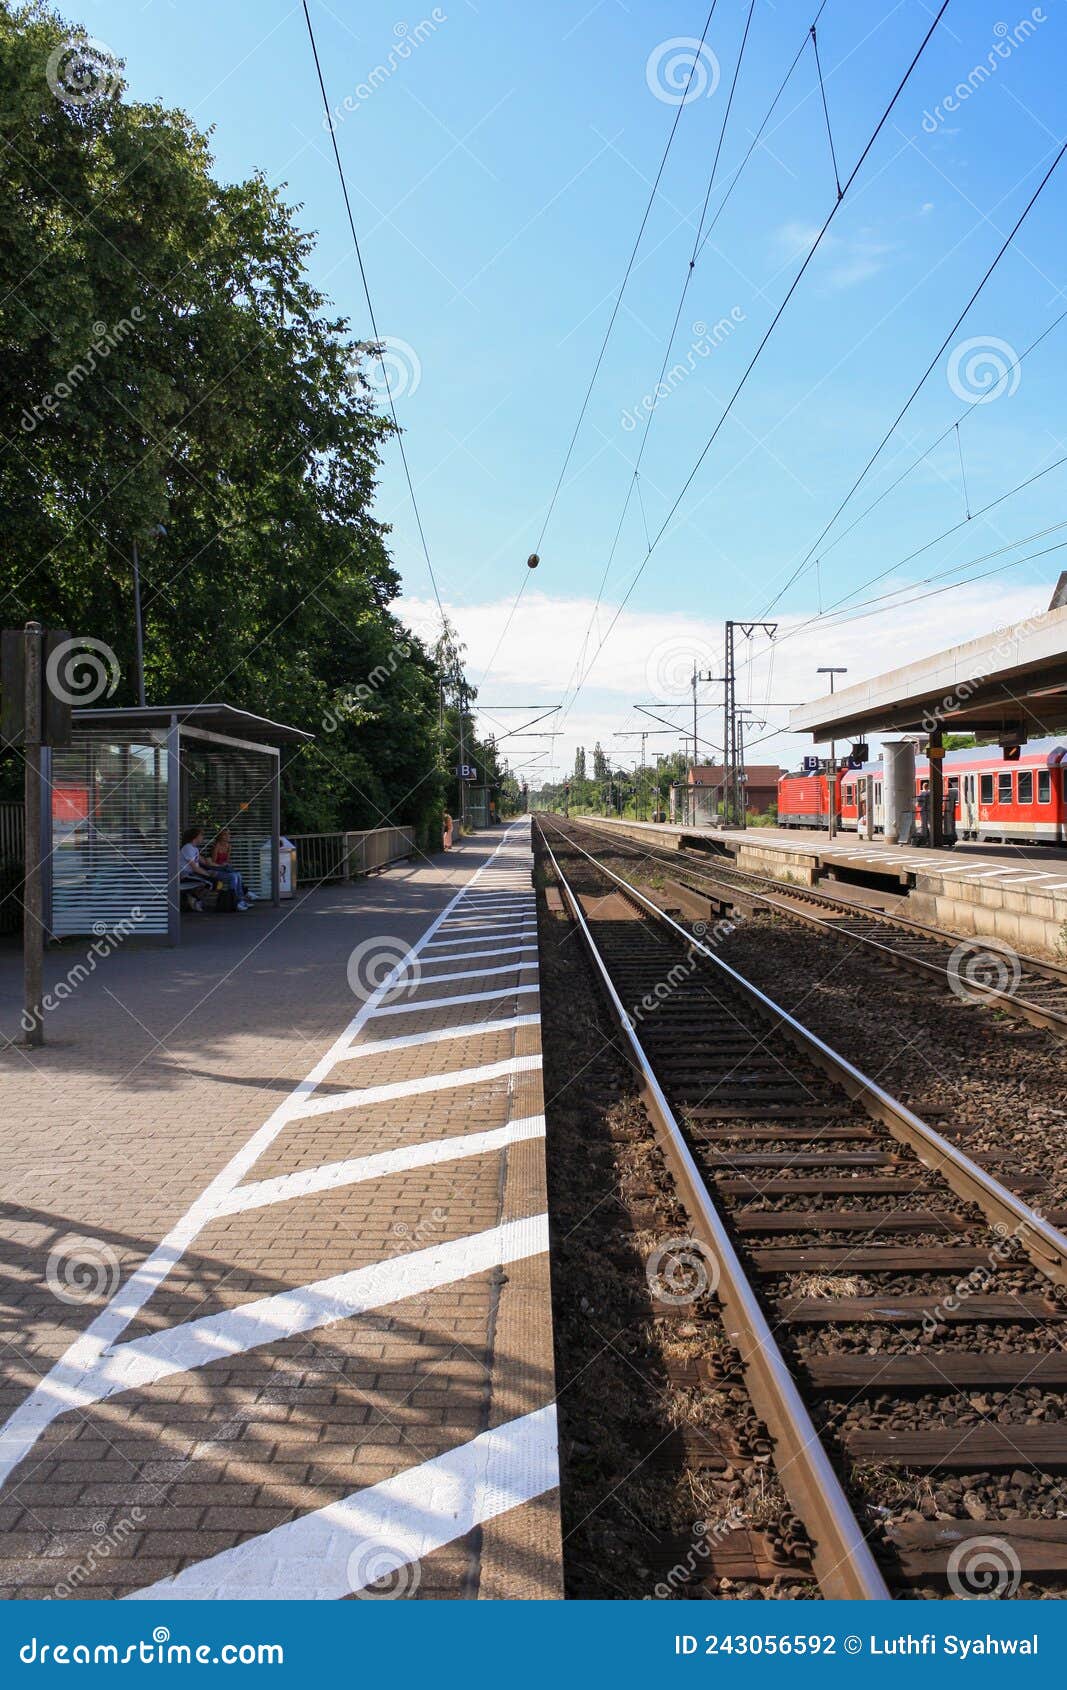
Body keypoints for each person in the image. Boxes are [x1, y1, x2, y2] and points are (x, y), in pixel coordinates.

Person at [178, 826, 249, 912]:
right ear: (195, 837)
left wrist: (217, 866)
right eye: (201, 835)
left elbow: (204, 862)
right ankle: (195, 898)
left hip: (195, 873)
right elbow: (195, 868)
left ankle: (239, 900)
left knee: (227, 877)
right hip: (187, 875)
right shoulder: (187, 848)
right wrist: (208, 874)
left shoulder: (195, 848)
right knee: (213, 883)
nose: (202, 837)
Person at [205, 827, 255, 906]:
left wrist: (226, 864)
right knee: (234, 876)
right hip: (216, 869)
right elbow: (213, 862)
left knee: (238, 874)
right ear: (220, 836)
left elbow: (227, 861)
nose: (228, 836)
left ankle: (240, 901)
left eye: (229, 834)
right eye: (225, 834)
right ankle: (237, 899)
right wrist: (222, 865)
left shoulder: (229, 846)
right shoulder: (216, 845)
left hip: (224, 868)